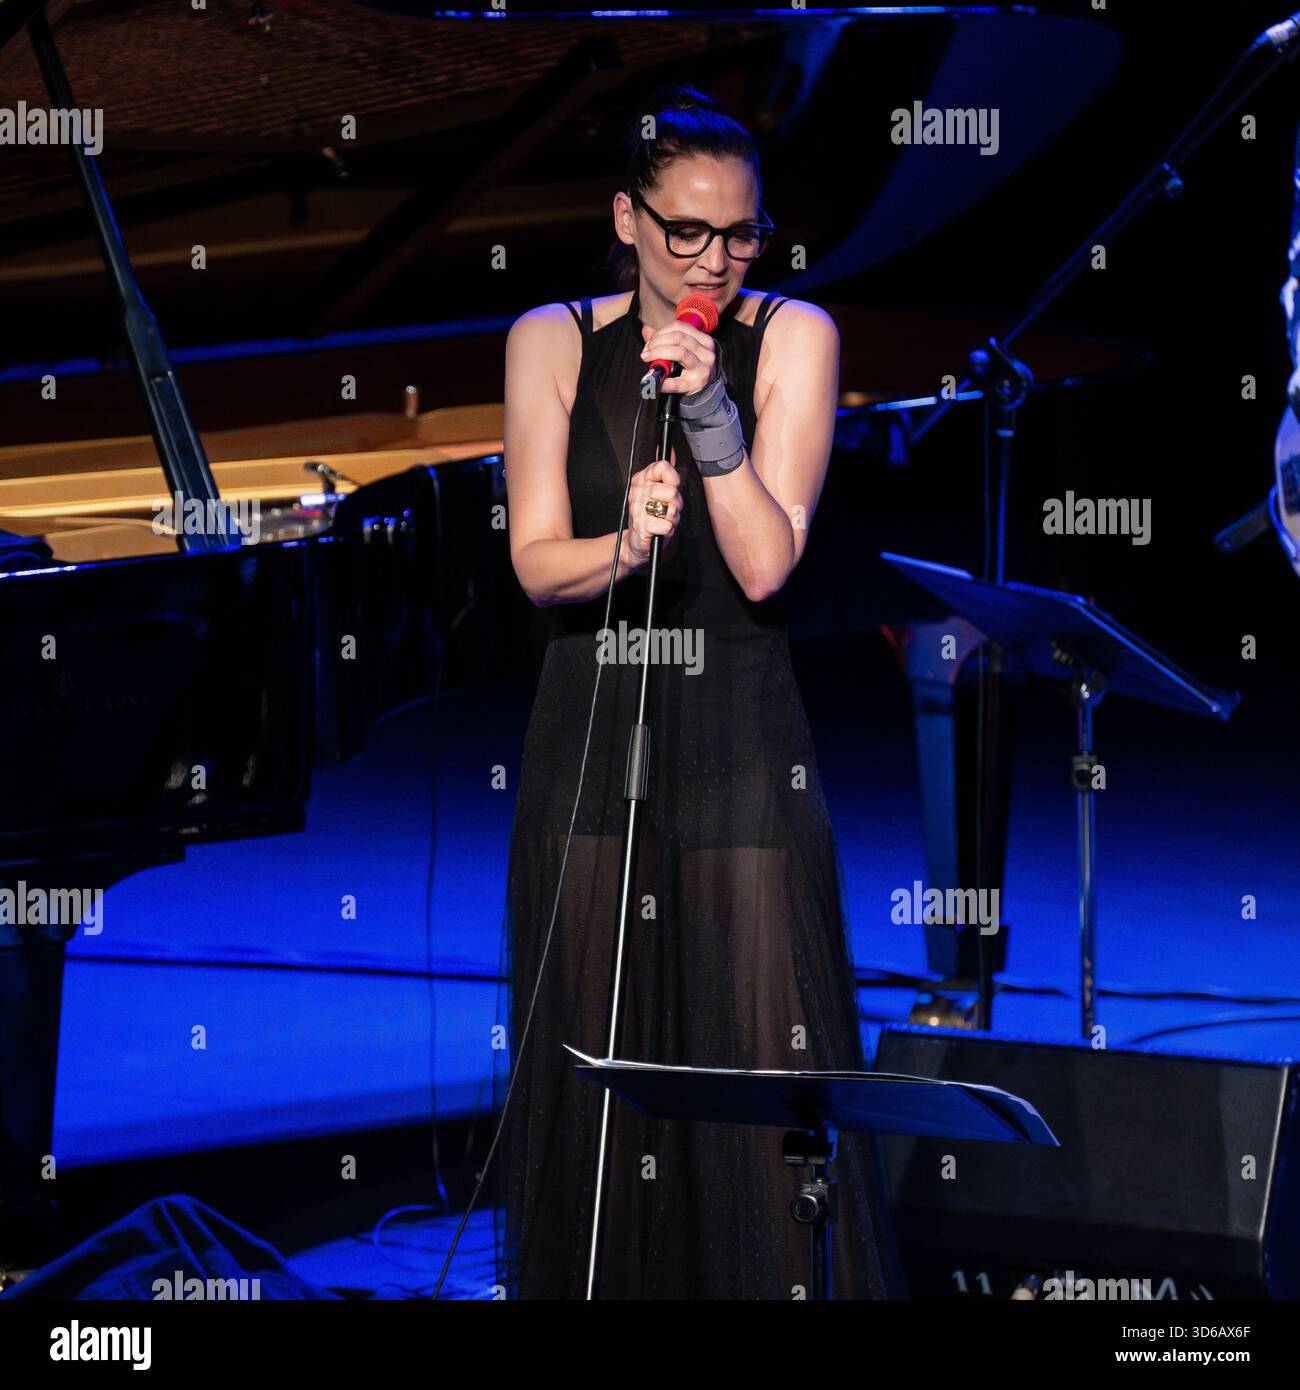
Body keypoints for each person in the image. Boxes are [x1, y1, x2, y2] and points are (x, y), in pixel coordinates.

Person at [493, 86, 906, 1299]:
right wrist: (620, 548)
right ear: (626, 217)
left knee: (753, 1062)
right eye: (685, 232)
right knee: (598, 1073)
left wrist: (714, 414)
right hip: (590, 733)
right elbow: (534, 564)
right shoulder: (550, 337)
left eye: (738, 234)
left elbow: (768, 562)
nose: (713, 263)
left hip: (737, 736)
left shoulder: (794, 333)